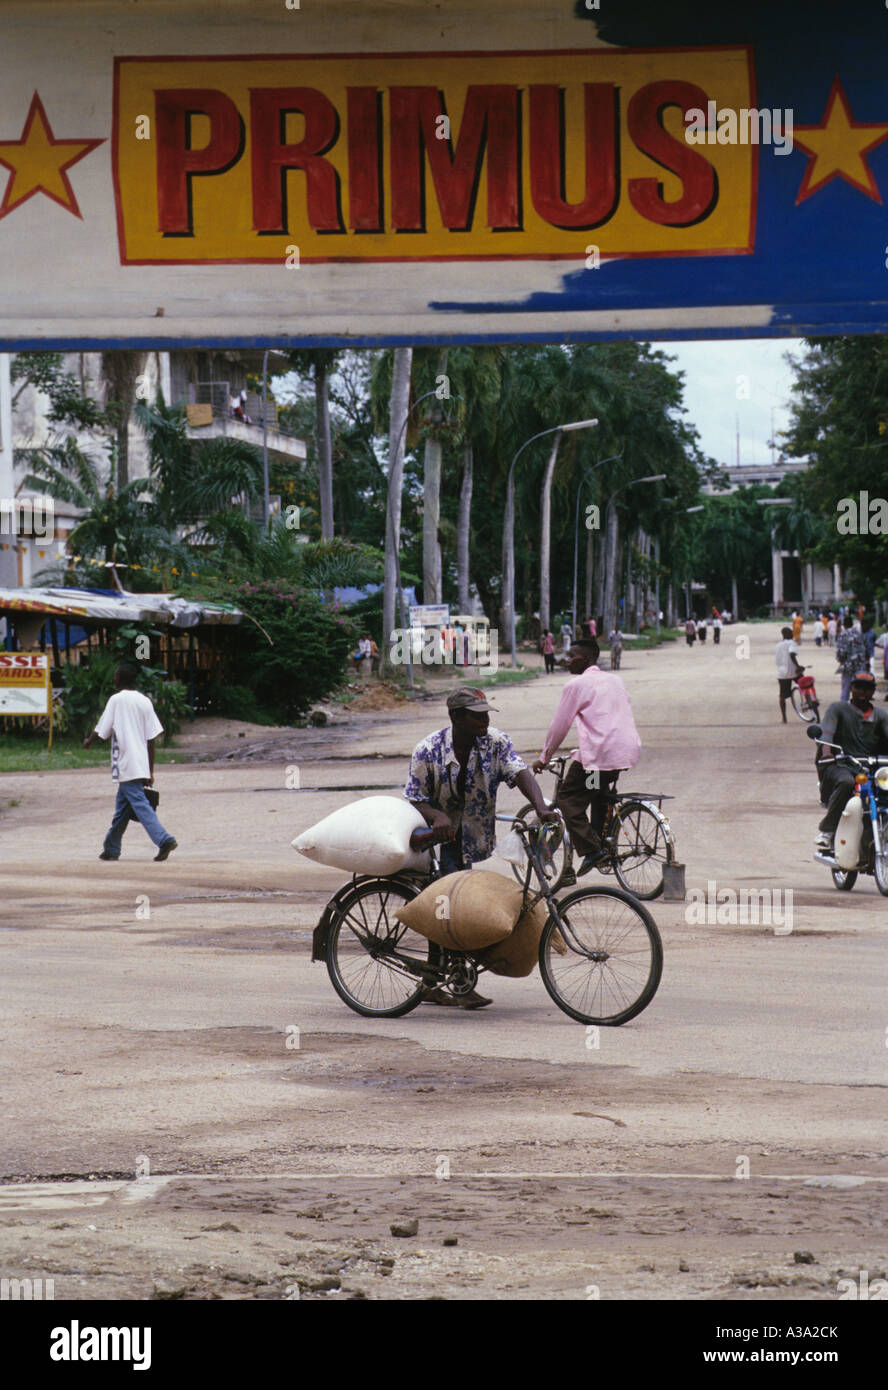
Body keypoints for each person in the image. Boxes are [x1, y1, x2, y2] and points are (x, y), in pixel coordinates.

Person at [405, 686, 558, 1009]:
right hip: (436, 836)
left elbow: (519, 772)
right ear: (456, 717)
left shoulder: (495, 742)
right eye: (477, 715)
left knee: (458, 904)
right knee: (451, 905)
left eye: (486, 714)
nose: (484, 720)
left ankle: (437, 981)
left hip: (472, 834)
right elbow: (415, 797)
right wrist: (436, 816)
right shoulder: (428, 750)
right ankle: (454, 982)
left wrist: (541, 805)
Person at [533, 637, 642, 878]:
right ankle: (603, 843)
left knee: (567, 800)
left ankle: (593, 850)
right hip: (622, 753)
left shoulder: (576, 685)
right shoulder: (615, 679)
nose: (567, 660)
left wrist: (544, 757)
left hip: (599, 756)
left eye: (572, 656)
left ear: (587, 658)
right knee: (596, 791)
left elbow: (559, 726)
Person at [83, 663, 177, 862]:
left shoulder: (116, 700)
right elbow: (151, 739)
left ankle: (164, 839)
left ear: (120, 679)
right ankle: (111, 848)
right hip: (140, 764)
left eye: (115, 676)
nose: (113, 679)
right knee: (123, 808)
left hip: (126, 764)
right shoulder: (144, 701)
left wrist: (88, 741)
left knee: (141, 806)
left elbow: (102, 729)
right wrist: (150, 770)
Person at [814, 672, 888, 851]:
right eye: (858, 687)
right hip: (841, 764)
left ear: (873, 692)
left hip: (870, 768)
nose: (862, 692)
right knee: (847, 782)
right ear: (851, 688)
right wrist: (826, 753)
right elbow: (827, 733)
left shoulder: (880, 715)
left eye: (868, 688)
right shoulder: (837, 709)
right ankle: (828, 830)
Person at [836, 616, 869, 702]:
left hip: (848, 666)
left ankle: (843, 708)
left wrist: (840, 661)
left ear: (844, 625)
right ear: (852, 624)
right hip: (860, 666)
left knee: (846, 688)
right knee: (859, 687)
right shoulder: (859, 634)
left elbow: (841, 652)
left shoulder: (843, 635)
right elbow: (865, 649)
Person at [775, 625, 802, 723]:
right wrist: (798, 666)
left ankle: (784, 718)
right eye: (791, 633)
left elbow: (777, 661)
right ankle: (810, 700)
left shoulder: (778, 645)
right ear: (788, 634)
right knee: (805, 684)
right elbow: (792, 654)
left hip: (782, 673)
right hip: (794, 672)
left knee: (782, 696)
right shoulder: (792, 643)